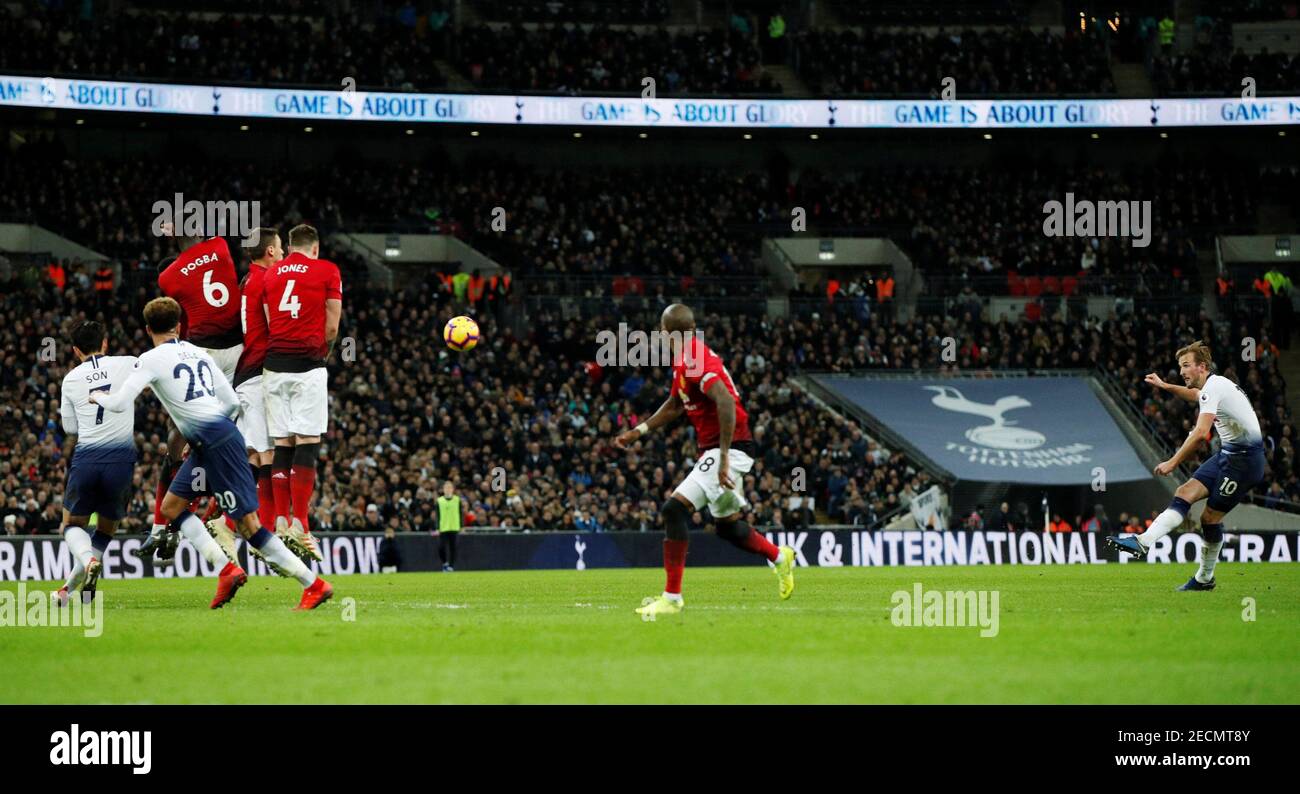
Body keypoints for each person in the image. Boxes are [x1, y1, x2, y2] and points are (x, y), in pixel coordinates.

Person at [89, 297, 333, 610]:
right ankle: (227, 569)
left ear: (148, 329)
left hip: (215, 444)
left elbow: (121, 402)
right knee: (172, 506)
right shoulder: (197, 353)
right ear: (179, 326)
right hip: (213, 439)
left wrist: (98, 396)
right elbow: (232, 403)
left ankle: (313, 584)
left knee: (249, 527)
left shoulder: (149, 359)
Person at [614, 303, 795, 618]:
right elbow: (674, 405)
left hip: (729, 448)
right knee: (727, 527)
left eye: (660, 329)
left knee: (673, 509)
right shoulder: (685, 359)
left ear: (669, 332)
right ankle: (780, 557)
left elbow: (724, 399)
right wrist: (639, 431)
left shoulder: (696, 357)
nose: (658, 333)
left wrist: (724, 457)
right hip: (722, 448)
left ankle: (672, 598)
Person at [1111, 341, 1266, 591]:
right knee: (1184, 492)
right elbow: (1194, 395)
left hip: (1245, 463)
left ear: (1201, 366)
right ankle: (1142, 542)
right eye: (1180, 366)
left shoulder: (1213, 388)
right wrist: (1165, 386)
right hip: (1229, 454)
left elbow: (1201, 433)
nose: (1181, 372)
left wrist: (1172, 462)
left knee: (1209, 518)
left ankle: (1205, 578)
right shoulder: (1213, 386)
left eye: (1185, 366)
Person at [261, 224, 342, 563]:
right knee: (307, 442)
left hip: (273, 365)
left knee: (282, 443)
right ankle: (302, 525)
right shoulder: (327, 270)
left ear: (290, 246)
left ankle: (281, 520)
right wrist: (323, 352)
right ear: (316, 247)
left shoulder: (271, 274)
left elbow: (269, 321)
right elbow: (333, 324)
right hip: (308, 365)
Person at [206, 228, 284, 560]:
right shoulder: (264, 281)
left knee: (255, 456)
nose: (282, 254)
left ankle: (235, 523)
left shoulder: (246, 281)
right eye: (280, 249)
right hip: (257, 374)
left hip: (248, 374)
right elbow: (275, 327)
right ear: (269, 251)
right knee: (268, 455)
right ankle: (267, 530)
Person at [53, 321, 138, 606]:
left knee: (71, 525)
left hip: (88, 457)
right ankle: (69, 587)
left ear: (76, 350)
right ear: (105, 343)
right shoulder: (128, 364)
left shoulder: (71, 379)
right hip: (122, 459)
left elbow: (69, 428)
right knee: (105, 529)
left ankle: (86, 564)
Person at [435, 481, 464, 572]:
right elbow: (437, 515)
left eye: (450, 487)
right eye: (446, 487)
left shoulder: (457, 500)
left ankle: (451, 566)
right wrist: (437, 527)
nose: (448, 489)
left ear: (453, 489)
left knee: (453, 548)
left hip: (454, 527)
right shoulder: (439, 501)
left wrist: (461, 526)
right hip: (443, 527)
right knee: (441, 547)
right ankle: (445, 563)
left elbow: (460, 513)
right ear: (443, 489)